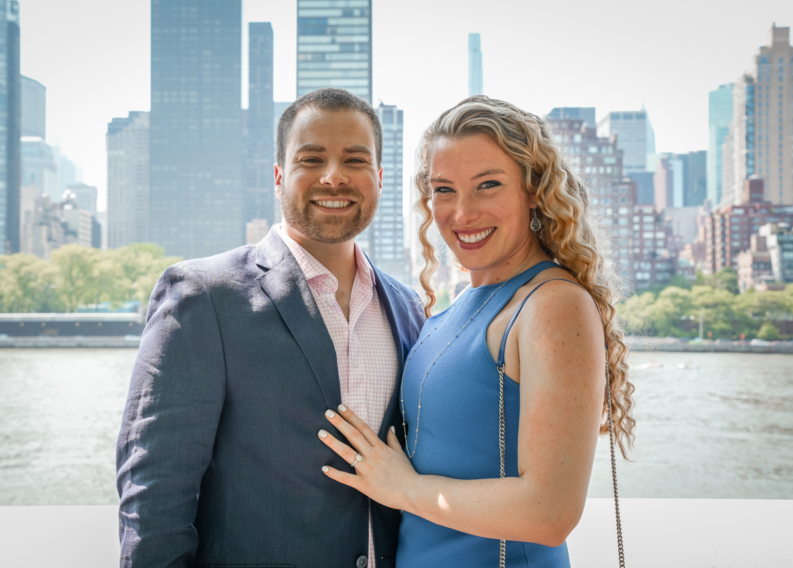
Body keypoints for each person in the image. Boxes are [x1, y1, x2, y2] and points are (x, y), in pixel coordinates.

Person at [316, 96, 636, 567]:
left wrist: (405, 489)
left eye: (488, 185)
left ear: (534, 189)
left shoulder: (551, 304)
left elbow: (550, 513)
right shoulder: (446, 315)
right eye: (444, 190)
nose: (463, 213)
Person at [116, 87, 426, 568]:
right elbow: (153, 494)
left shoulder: (408, 308)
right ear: (279, 176)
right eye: (311, 159)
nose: (334, 176)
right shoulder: (203, 296)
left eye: (355, 160)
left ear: (380, 178)